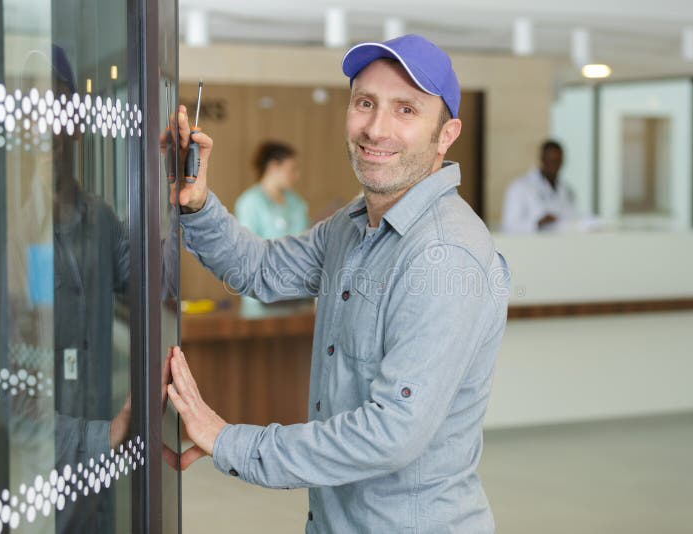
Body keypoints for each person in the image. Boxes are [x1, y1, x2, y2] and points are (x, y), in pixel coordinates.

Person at [167, 34, 510, 533]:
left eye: (406, 110)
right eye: (365, 103)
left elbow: (391, 433)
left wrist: (229, 440)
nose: (376, 128)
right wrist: (197, 203)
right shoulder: (352, 224)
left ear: (446, 134)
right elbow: (262, 269)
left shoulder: (443, 255)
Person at [234, 141, 309, 239]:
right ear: (273, 167)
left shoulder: (295, 201)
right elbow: (247, 245)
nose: (297, 175)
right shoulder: (250, 202)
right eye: (292, 169)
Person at [500, 139, 578, 233]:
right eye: (551, 161)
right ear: (542, 159)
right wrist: (538, 223)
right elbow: (509, 226)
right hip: (530, 245)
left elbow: (571, 219)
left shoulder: (567, 190)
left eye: (557, 161)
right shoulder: (520, 187)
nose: (554, 166)